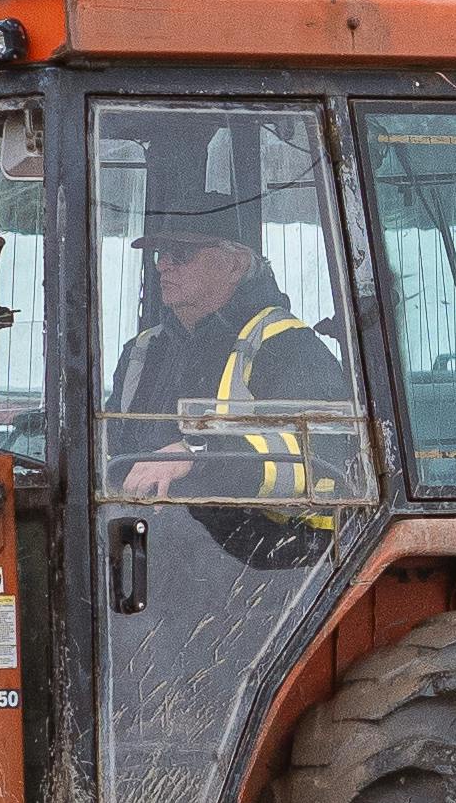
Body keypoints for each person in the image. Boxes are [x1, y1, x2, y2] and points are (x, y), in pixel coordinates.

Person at [111, 193, 353, 548]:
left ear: (235, 265)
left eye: (181, 254)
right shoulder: (143, 351)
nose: (164, 265)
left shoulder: (285, 346)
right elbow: (111, 451)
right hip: (153, 552)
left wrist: (197, 456)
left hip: (271, 565)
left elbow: (327, 459)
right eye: (161, 254)